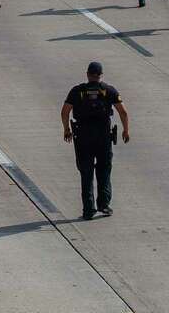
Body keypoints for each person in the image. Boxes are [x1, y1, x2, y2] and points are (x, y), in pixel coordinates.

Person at [61, 61, 130, 221]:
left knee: (86, 172)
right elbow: (123, 112)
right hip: (103, 136)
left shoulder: (77, 91)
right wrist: (126, 130)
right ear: (101, 75)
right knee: (104, 170)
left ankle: (88, 209)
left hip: (83, 136)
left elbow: (65, 111)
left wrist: (67, 129)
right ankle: (104, 205)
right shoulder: (109, 90)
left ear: (87, 74)